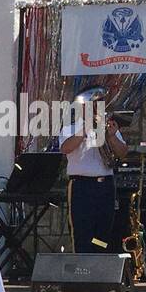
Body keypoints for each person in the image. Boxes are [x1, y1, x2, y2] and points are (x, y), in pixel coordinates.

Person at [59, 101, 128, 254]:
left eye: (97, 105)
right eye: (89, 105)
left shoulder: (108, 127)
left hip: (105, 186)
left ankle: (99, 265)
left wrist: (111, 136)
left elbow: (122, 152)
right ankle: (83, 270)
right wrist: (85, 129)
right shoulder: (71, 128)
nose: (93, 109)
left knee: (103, 232)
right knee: (82, 231)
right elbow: (65, 148)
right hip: (81, 186)